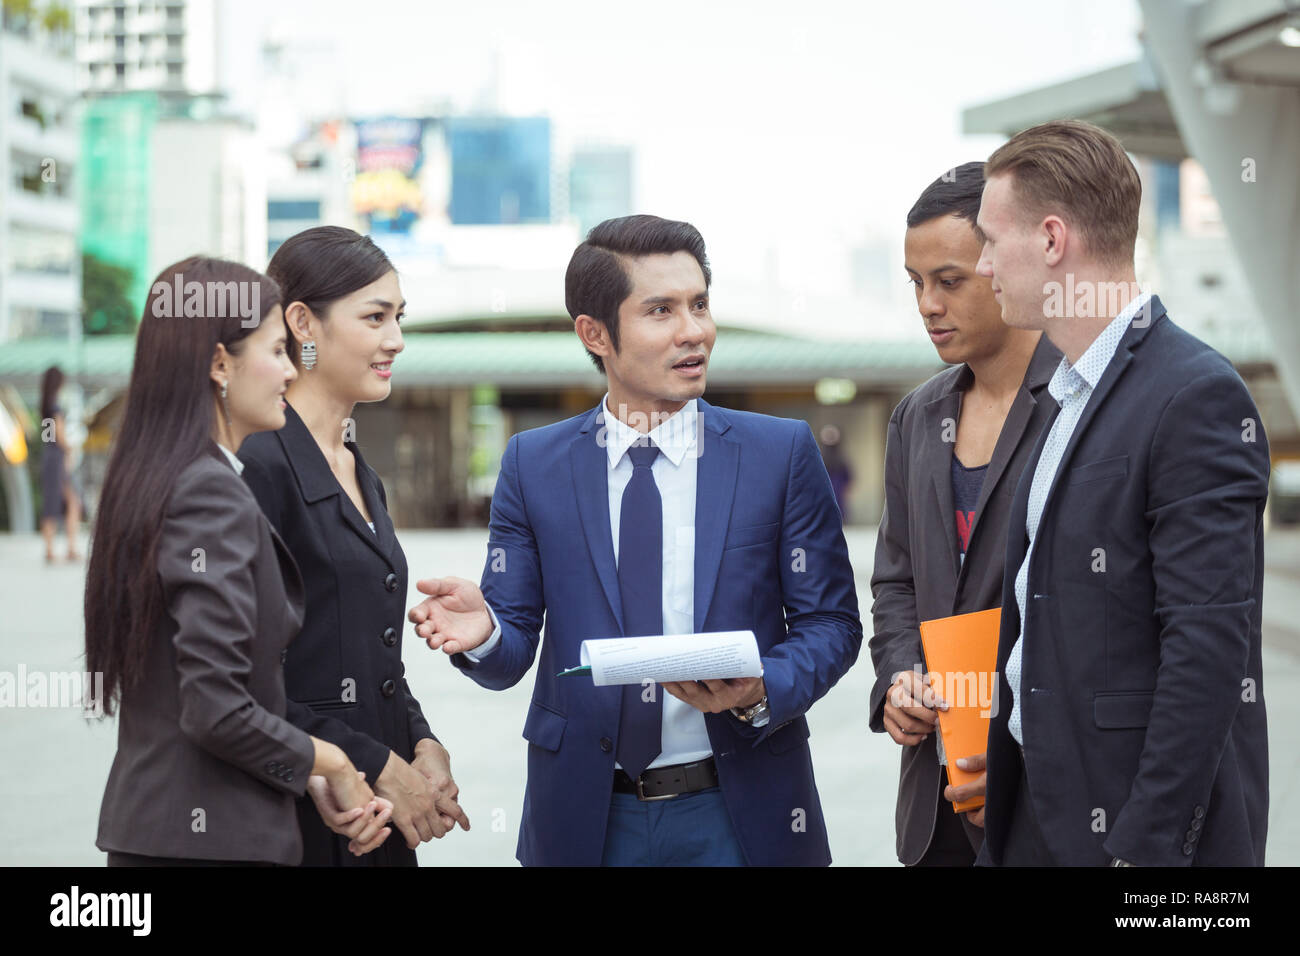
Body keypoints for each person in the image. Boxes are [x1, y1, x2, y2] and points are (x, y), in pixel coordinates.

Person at [408, 214, 862, 866]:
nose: (694, 331)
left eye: (700, 304)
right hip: (586, 818)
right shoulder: (532, 465)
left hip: (742, 812)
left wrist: (760, 688)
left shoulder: (778, 454)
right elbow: (512, 648)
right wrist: (483, 632)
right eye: (661, 310)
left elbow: (831, 625)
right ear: (596, 334)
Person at [972, 120, 1270, 866]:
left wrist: (1144, 853)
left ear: (1050, 240)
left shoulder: (1194, 394)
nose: (981, 266)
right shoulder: (1063, 398)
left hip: (1131, 840)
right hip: (1035, 814)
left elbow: (1206, 649)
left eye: (989, 238)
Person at [87, 256, 393, 865]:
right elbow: (215, 706)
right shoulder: (210, 492)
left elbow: (188, 697)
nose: (288, 371)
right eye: (277, 351)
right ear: (220, 363)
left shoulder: (161, 477)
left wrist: (303, 776)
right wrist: (330, 760)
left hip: (158, 832)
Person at [241, 226, 469, 867]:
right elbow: (242, 676)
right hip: (301, 816)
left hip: (380, 813)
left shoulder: (357, 467)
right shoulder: (260, 463)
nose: (395, 339)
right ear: (302, 323)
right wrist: (369, 763)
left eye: (399, 318)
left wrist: (422, 744)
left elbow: (367, 654)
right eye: (374, 317)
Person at [869, 161, 1062, 866]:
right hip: (935, 805)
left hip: (1047, 799)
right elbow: (896, 582)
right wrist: (899, 678)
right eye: (916, 284)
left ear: (1007, 265)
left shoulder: (1084, 406)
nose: (927, 304)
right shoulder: (917, 418)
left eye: (948, 281)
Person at [38, 366, 82, 563]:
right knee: (71, 502)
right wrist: (70, 448)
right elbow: (60, 435)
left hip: (48, 454)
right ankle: (68, 548)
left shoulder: (45, 406)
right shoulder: (55, 407)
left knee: (57, 501)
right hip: (57, 457)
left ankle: (54, 548)